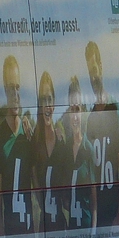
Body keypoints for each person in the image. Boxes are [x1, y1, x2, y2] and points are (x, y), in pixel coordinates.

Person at [0, 54, 35, 236]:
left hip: (29, 229)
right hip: (10, 232)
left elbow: (39, 181)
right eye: (10, 88)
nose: (15, 95)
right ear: (4, 90)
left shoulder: (28, 132)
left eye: (17, 88)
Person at [85, 40, 119, 230]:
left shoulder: (114, 108)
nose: (93, 77)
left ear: (101, 67)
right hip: (97, 214)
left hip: (112, 214)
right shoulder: (91, 117)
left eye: (94, 69)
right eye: (89, 73)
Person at [59, 76, 95, 231]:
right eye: (71, 110)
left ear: (83, 112)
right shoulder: (65, 149)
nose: (74, 117)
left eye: (78, 110)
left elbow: (94, 203)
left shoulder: (89, 150)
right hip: (71, 235)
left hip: (86, 233)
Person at [33, 71, 65, 229]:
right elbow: (34, 180)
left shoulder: (61, 141)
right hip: (44, 226)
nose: (46, 105)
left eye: (49, 99)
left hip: (62, 226)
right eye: (42, 99)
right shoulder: (34, 140)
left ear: (54, 103)